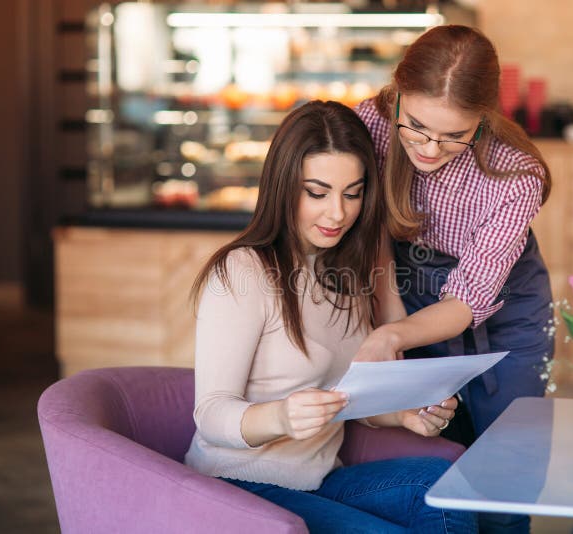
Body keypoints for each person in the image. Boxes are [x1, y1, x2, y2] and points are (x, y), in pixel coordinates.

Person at [184, 100, 477, 534]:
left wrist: (404, 414)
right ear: (284, 187)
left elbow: (348, 399)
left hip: (317, 482)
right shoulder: (243, 272)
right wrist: (281, 417)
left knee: (445, 489)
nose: (337, 213)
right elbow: (209, 416)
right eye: (317, 193)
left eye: (352, 193)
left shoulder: (348, 273)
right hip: (237, 487)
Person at [354, 25, 554, 533]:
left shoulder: (516, 175)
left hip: (506, 318)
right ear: (397, 94)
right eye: (416, 126)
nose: (428, 147)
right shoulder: (371, 126)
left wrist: (394, 334)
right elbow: (373, 220)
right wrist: (391, 308)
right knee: (431, 458)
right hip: (403, 290)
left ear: (483, 120)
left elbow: (468, 300)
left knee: (505, 481)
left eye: (454, 135)